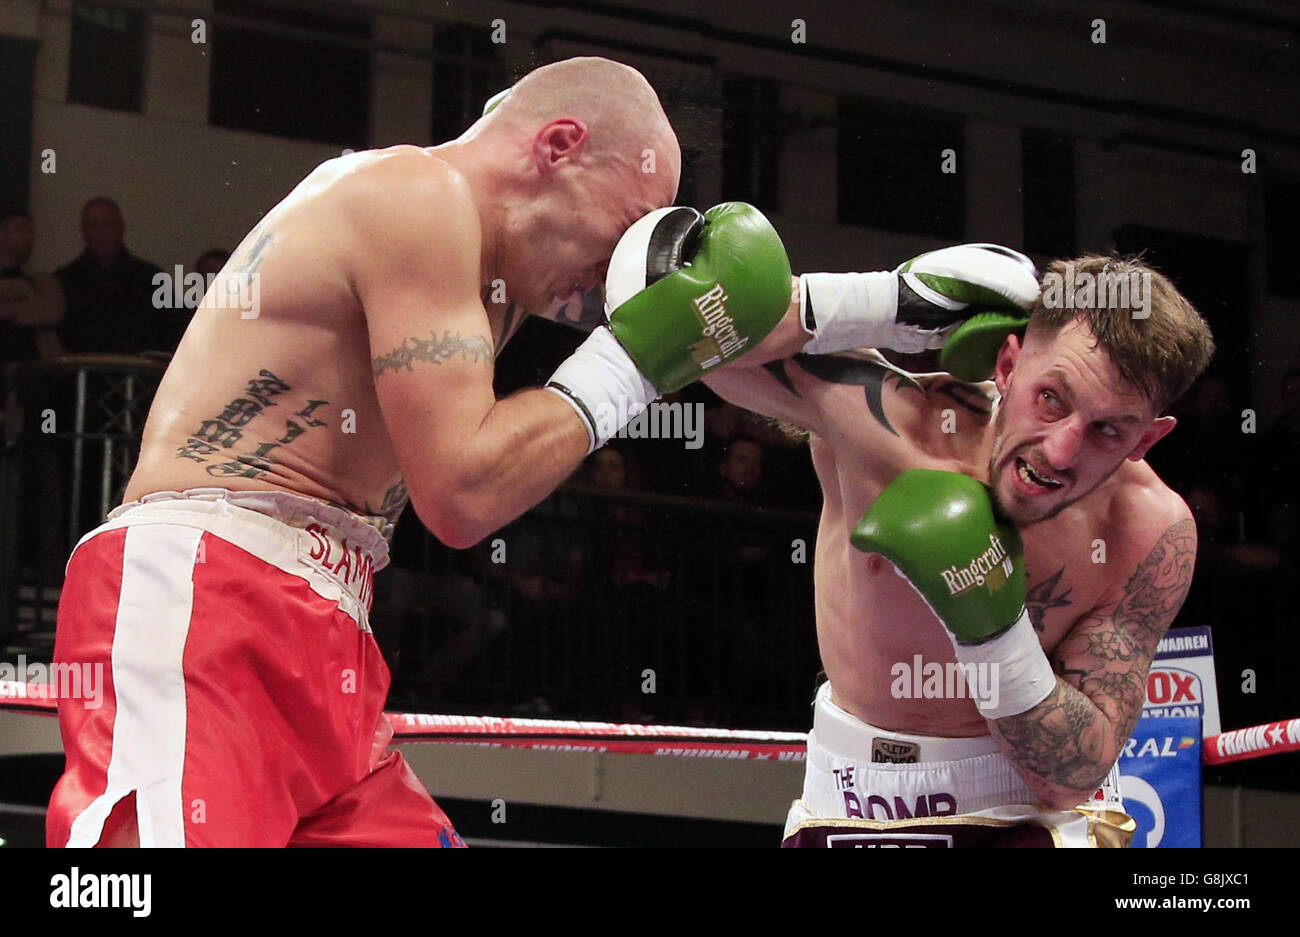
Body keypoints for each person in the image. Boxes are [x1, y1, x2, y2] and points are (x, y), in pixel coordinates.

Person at [46, 56, 793, 847]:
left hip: (329, 621)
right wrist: (637, 362)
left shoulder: (485, 272)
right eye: (631, 219)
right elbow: (463, 493)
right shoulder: (421, 197)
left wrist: (879, 304)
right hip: (211, 591)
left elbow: (743, 338)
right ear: (560, 146)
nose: (620, 262)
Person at [698, 247, 1214, 846]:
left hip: (1027, 822)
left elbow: (1074, 773)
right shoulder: (891, 422)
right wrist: (880, 305)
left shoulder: (1146, 531)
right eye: (1051, 398)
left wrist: (992, 629)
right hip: (845, 803)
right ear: (1007, 364)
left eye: (1108, 430)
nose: (1061, 451)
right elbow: (682, 325)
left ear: (1146, 439)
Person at [55, 197, 165, 355]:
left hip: (140, 376)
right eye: (93, 226)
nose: (101, 233)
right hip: (79, 376)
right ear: (83, 231)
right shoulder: (62, 282)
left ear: (121, 228)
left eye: (109, 225)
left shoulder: (152, 279)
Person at [0, 209, 65, 362]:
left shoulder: (44, 282)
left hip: (31, 371)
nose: (29, 237)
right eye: (21, 228)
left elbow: (51, 311)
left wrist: (7, 309)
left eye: (31, 231)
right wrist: (25, 294)